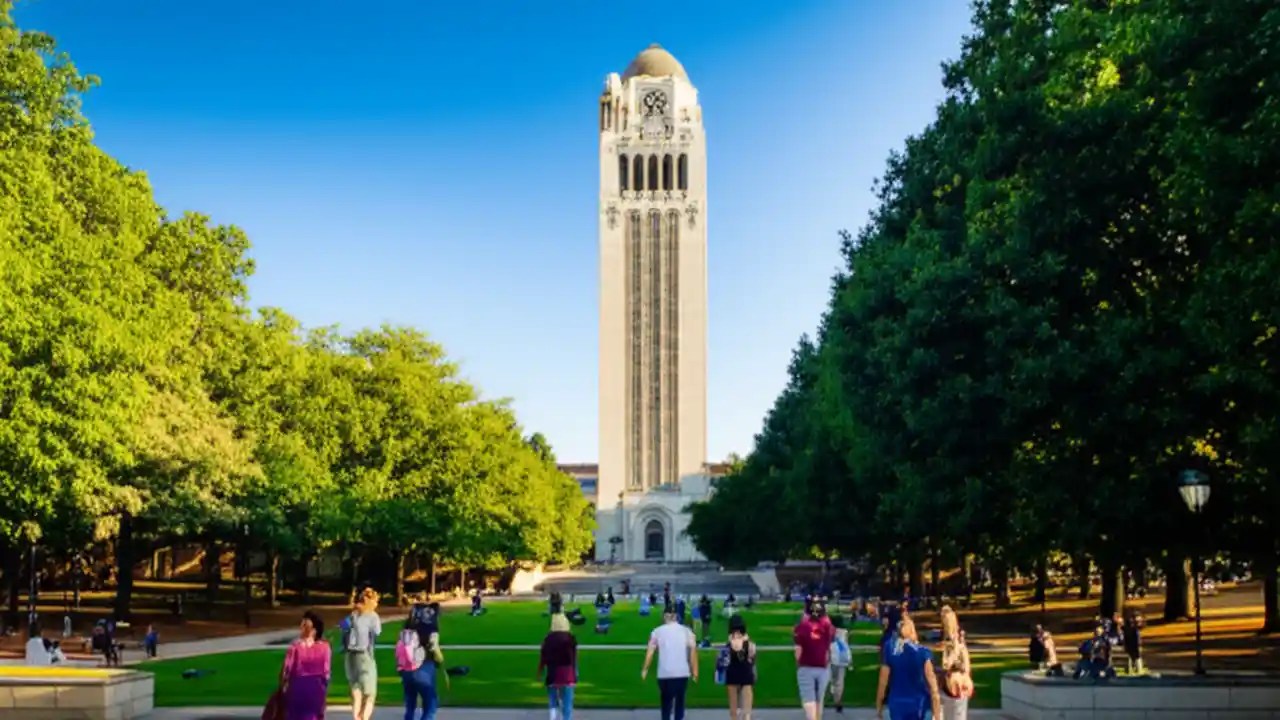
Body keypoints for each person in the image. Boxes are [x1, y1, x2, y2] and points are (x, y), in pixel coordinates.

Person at [876, 616, 942, 720]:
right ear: (913, 632)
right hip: (920, 704)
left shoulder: (890, 650)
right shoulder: (923, 652)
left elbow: (883, 680)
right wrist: (937, 709)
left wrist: (879, 704)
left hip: (897, 704)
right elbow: (932, 682)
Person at [642, 609, 698, 720]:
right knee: (680, 700)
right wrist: (694, 671)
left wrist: (645, 668)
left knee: (666, 701)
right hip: (681, 672)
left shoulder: (657, 632)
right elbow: (693, 652)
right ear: (676, 616)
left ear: (664, 617)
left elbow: (650, 652)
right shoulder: (686, 632)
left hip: (664, 673)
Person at [282, 611, 331, 720]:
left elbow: (286, 670)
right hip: (317, 688)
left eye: (304, 625)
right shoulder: (325, 647)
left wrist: (283, 686)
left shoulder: (295, 647)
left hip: (297, 687)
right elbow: (326, 672)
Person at [343, 588, 383, 720]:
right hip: (365, 655)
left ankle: (356, 717)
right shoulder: (372, 616)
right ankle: (364, 718)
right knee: (370, 693)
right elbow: (377, 632)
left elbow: (342, 627)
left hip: (350, 655)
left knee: (356, 690)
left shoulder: (352, 615)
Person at [397, 610, 444, 720]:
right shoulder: (431, 628)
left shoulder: (406, 630)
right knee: (430, 703)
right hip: (424, 667)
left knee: (410, 705)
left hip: (406, 669)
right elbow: (434, 647)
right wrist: (440, 659)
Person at [793, 601, 835, 720]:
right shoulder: (827, 627)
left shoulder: (801, 627)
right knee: (819, 699)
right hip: (823, 667)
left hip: (806, 666)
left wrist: (798, 663)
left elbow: (798, 651)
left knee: (809, 699)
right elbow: (829, 649)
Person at [538, 613, 578, 720]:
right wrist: (575, 674)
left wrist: (540, 672)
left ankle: (553, 717)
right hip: (568, 674)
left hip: (553, 674)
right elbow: (574, 658)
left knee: (553, 700)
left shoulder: (548, 639)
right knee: (567, 703)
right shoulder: (570, 638)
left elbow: (543, 658)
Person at [938, 607, 973, 720]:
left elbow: (946, 665)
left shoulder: (954, 644)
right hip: (954, 683)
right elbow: (966, 666)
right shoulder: (954, 642)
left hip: (953, 683)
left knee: (954, 714)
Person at [722, 614, 755, 720]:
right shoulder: (748, 642)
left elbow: (724, 659)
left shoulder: (729, 641)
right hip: (746, 674)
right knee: (747, 711)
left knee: (733, 710)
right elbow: (752, 657)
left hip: (732, 674)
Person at [829, 616, 853, 714]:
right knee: (839, 681)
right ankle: (838, 701)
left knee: (831, 679)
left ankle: (831, 694)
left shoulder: (828, 631)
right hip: (841, 660)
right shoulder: (844, 632)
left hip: (831, 659)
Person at [1123, 610, 1144, 675]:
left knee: (1133, 657)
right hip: (1132, 644)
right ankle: (1135, 669)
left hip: (1132, 644)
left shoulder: (1131, 628)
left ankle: (1134, 669)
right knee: (1135, 657)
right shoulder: (1132, 628)